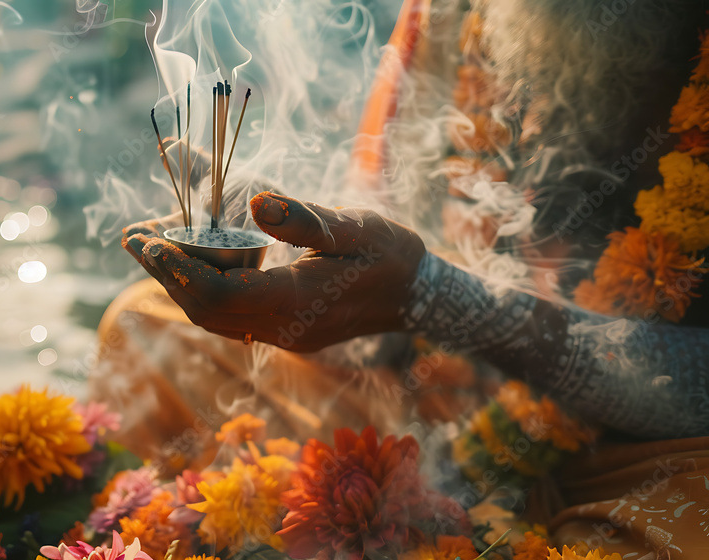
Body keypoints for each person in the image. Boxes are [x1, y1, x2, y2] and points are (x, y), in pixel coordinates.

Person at [93, 0, 709, 556]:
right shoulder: (455, 11)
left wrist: (432, 297)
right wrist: (305, 269)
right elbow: (390, 259)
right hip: (441, 390)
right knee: (147, 330)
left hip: (648, 453)